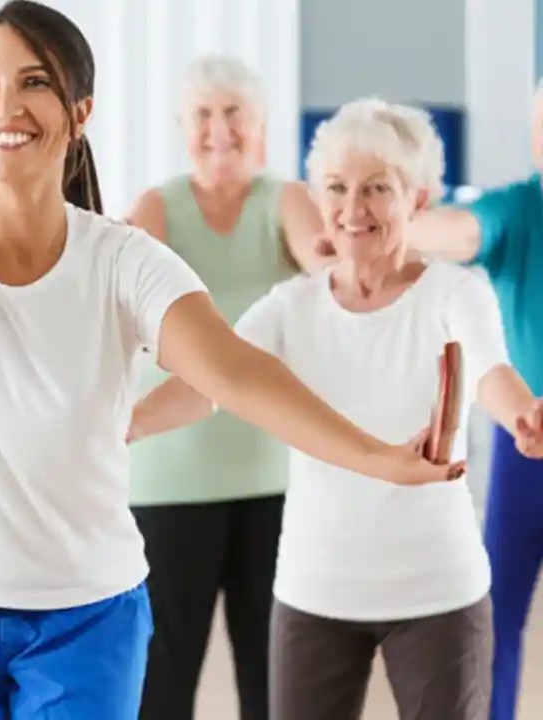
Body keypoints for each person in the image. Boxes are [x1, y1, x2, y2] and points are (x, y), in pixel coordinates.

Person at [0, 3, 461, 717]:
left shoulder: (126, 263)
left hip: (83, 617)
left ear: (79, 110)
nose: (6, 104)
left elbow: (234, 372)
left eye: (34, 82)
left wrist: (377, 457)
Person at [130, 97, 543, 719]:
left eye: (378, 188)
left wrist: (524, 415)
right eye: (337, 188)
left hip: (438, 591)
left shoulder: (453, 293)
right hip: (316, 592)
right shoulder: (287, 307)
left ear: (418, 200)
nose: (354, 209)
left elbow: (491, 370)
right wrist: (119, 423)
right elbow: (209, 383)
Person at [123, 55, 325, 720]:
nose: (219, 130)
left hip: (271, 475)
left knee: (273, 672)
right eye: (204, 115)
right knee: (163, 675)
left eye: (234, 113)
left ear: (260, 125)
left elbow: (323, 262)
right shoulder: (157, 208)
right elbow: (118, 294)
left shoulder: (285, 201)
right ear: (184, 127)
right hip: (168, 480)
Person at [386, 78, 543, 720]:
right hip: (524, 443)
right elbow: (461, 230)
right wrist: (399, 217)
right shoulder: (521, 209)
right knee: (497, 612)